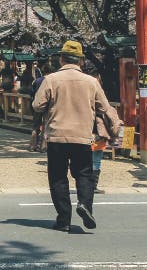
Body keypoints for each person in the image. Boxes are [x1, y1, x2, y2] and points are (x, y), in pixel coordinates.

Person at [32, 40, 111, 232]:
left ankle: (63, 219)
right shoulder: (91, 82)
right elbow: (105, 107)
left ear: (61, 59)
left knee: (58, 177)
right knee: (84, 173)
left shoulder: (51, 80)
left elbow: (37, 106)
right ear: (81, 61)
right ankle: (84, 204)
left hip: (57, 136)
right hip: (82, 136)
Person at [82, 62, 122, 195]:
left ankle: (84, 183)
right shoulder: (96, 86)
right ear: (97, 76)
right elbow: (105, 108)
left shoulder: (80, 86)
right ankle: (92, 185)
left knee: (84, 157)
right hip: (97, 129)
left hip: (82, 129)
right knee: (96, 158)